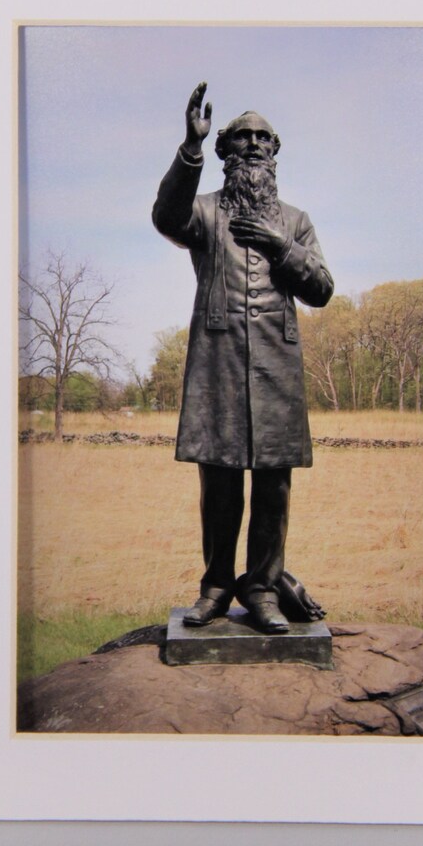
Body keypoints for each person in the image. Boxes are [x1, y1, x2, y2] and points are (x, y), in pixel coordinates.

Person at [152, 82, 334, 633]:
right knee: (220, 485)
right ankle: (214, 586)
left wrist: (282, 247)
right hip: (219, 366)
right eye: (242, 137)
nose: (254, 144)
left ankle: (261, 589)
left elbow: (322, 289)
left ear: (274, 152)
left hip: (278, 369)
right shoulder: (205, 213)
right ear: (225, 150)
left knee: (274, 487)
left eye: (263, 138)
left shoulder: (295, 220)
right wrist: (190, 148)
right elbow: (166, 217)